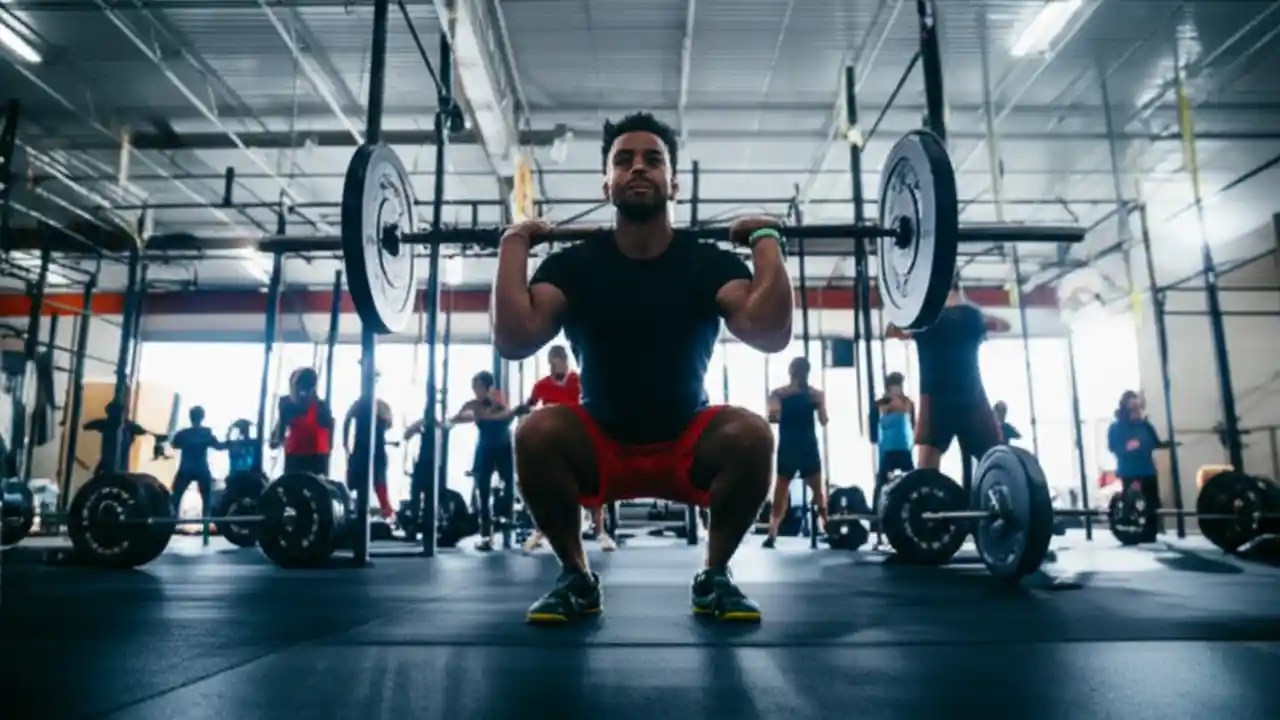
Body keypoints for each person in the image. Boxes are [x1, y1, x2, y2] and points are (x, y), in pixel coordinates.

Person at [493, 112, 791, 624]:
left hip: (687, 443)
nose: (638, 168)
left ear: (672, 183)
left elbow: (769, 332)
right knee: (535, 431)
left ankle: (714, 575)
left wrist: (767, 241)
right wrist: (513, 243)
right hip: (599, 443)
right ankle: (577, 578)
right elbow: (515, 339)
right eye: (623, 160)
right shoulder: (576, 265)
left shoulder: (706, 262)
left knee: (753, 434)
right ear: (606, 183)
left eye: (653, 160)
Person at [890, 280, 1009, 487]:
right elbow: (1005, 325)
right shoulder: (972, 317)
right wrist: (976, 311)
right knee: (996, 461)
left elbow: (893, 331)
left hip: (936, 397)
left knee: (926, 472)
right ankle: (1002, 502)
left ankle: (927, 513)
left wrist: (909, 308)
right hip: (970, 394)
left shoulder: (924, 318)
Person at [518, 345, 619, 553]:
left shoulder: (579, 382)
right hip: (552, 446)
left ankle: (601, 533)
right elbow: (529, 406)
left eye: (559, 360)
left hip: (577, 440)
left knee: (591, 485)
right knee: (542, 488)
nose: (555, 364)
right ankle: (541, 531)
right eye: (552, 361)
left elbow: (595, 404)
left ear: (565, 361)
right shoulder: (541, 385)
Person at [438, 371, 517, 552]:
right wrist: (448, 423)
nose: (476, 391)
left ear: (488, 388)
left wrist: (488, 408)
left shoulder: (500, 402)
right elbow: (463, 416)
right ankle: (485, 535)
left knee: (509, 490)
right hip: (485, 450)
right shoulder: (473, 405)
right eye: (474, 387)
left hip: (504, 449)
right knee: (483, 492)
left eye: (479, 387)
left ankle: (506, 530)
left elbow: (507, 414)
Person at [761, 357, 828, 548]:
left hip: (792, 445)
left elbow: (773, 417)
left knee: (783, 491)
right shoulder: (814, 395)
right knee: (815, 490)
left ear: (791, 371)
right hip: (805, 445)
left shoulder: (780, 394)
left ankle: (772, 533)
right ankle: (827, 526)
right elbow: (824, 420)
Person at [1107, 390, 1166, 541]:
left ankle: (1150, 532)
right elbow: (1113, 446)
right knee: (1130, 499)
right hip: (1129, 468)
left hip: (1146, 468)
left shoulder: (1145, 426)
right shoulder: (1117, 427)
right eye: (1132, 407)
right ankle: (1129, 525)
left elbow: (1155, 442)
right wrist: (1127, 447)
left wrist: (1167, 444)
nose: (1136, 411)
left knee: (1152, 500)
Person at [269, 367, 334, 476]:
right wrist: (276, 439)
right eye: (299, 390)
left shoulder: (320, 407)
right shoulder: (286, 405)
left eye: (306, 391)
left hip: (316, 458)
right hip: (295, 458)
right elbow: (280, 430)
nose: (302, 395)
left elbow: (330, 433)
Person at [343, 390, 395, 520]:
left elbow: (348, 419)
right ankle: (361, 510)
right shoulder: (363, 404)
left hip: (371, 449)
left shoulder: (377, 405)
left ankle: (385, 511)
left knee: (377, 482)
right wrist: (345, 441)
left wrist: (345, 440)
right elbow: (348, 418)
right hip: (364, 449)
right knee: (361, 482)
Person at [169, 406, 226, 515]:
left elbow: (174, 444)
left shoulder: (183, 433)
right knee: (206, 499)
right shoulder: (206, 433)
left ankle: (170, 522)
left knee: (176, 497)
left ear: (190, 417)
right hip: (201, 468)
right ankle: (205, 526)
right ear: (202, 417)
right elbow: (218, 446)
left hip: (186, 468)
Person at [874, 371, 915, 509]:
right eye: (896, 385)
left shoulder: (907, 402)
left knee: (912, 480)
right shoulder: (881, 403)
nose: (899, 388)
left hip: (904, 446)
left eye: (900, 385)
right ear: (889, 387)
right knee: (881, 481)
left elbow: (906, 410)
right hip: (887, 448)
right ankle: (876, 512)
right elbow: (882, 412)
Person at [84, 401, 151, 473]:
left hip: (113, 461)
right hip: (114, 461)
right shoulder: (128, 426)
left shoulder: (109, 424)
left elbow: (87, 426)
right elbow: (87, 426)